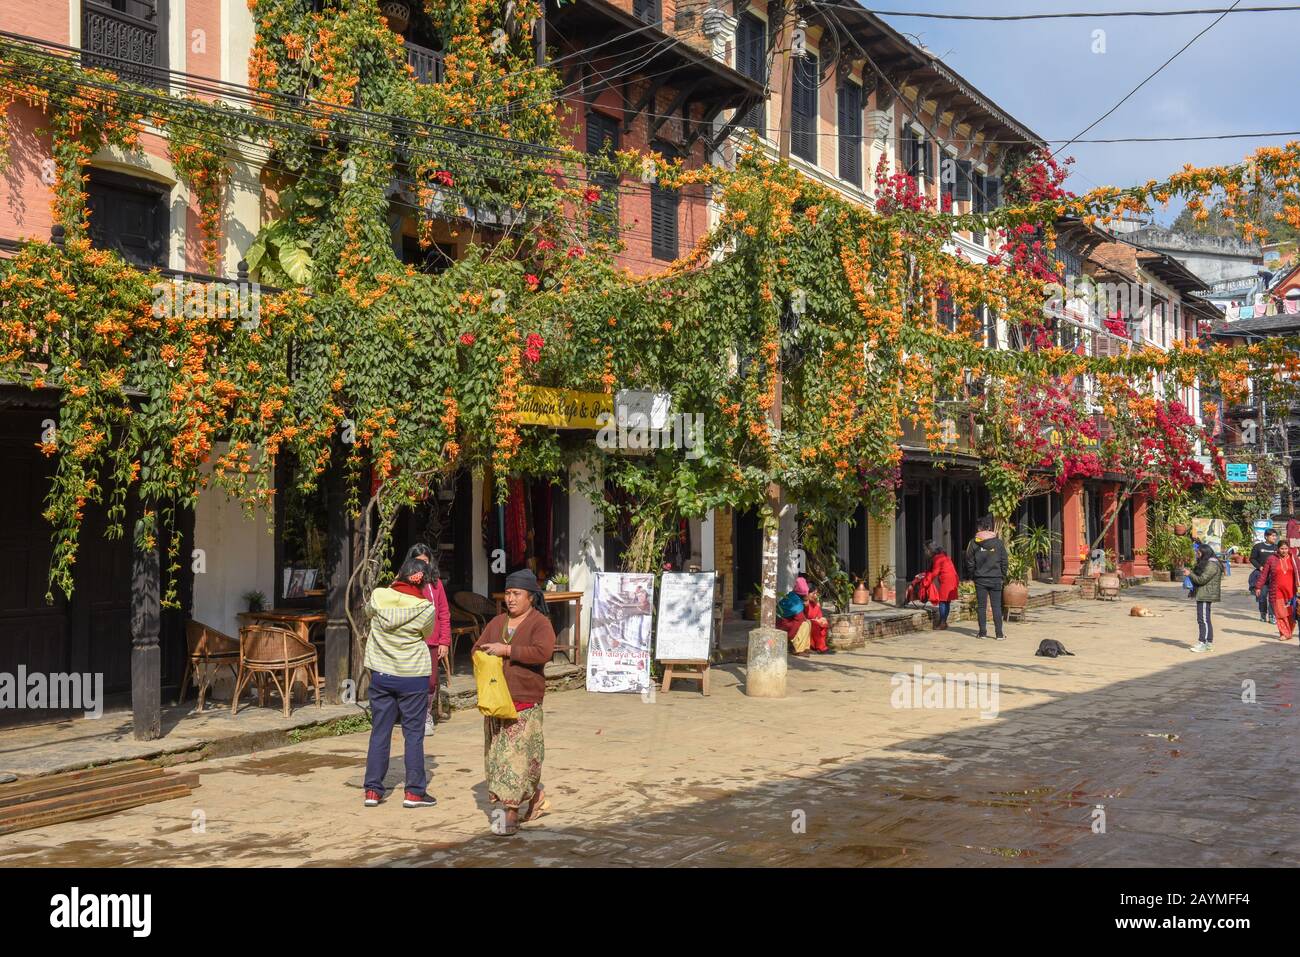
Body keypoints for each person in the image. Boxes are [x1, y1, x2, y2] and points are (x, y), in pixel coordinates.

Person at [472, 568, 556, 836]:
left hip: (524, 702)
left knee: (517, 760)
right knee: (498, 759)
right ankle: (534, 798)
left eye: (516, 594)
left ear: (531, 597)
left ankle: (510, 813)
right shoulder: (497, 623)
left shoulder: (540, 623)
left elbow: (543, 652)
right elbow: (477, 648)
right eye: (508, 593)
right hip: (497, 703)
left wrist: (507, 650)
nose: (510, 599)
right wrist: (486, 656)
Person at [363, 557, 440, 809]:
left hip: (382, 674)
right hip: (413, 675)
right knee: (413, 735)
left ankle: (373, 791)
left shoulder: (377, 596)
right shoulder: (425, 607)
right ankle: (414, 793)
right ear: (422, 582)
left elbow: (367, 613)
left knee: (380, 731)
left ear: (399, 574)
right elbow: (426, 634)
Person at [405, 543, 451, 731]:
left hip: (432, 640)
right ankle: (412, 716)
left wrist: (444, 641)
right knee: (411, 680)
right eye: (418, 562)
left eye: (425, 562)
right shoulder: (405, 583)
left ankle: (425, 715)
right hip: (410, 640)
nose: (422, 566)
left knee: (430, 681)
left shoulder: (436, 584)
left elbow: (444, 612)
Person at [964, 516, 1008, 640]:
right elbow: (1004, 561)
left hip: (980, 579)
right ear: (989, 527)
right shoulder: (998, 543)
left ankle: (982, 632)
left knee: (982, 606)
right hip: (996, 578)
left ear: (979, 528)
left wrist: (973, 575)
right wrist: (1002, 575)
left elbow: (969, 562)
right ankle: (999, 634)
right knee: (996, 606)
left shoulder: (973, 543)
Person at [1258, 540, 1299, 641]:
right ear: (1277, 549)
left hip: (1292, 591)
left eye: (1286, 548)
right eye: (1282, 549)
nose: (1284, 551)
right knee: (1280, 613)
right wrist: (1258, 586)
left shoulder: (1294, 559)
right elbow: (1264, 574)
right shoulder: (1272, 559)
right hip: (1277, 591)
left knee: (1291, 614)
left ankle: (1288, 632)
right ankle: (1283, 633)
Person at [1186, 544, 1224, 654]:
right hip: (1204, 593)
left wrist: (1190, 574)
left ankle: (1203, 642)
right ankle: (1208, 643)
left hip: (1205, 594)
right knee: (1204, 619)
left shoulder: (1212, 564)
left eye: (1198, 553)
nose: (1197, 555)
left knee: (1203, 619)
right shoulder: (1209, 563)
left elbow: (1202, 580)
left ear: (1205, 553)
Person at [916, 541, 959, 630]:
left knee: (943, 601)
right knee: (947, 601)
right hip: (953, 578)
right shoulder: (944, 556)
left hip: (946, 580)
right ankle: (944, 622)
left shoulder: (938, 558)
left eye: (926, 550)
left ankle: (942, 623)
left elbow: (934, 572)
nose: (925, 552)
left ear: (930, 550)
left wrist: (925, 581)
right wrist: (925, 575)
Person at [776, 577, 815, 655]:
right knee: (805, 624)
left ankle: (805, 647)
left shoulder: (792, 595)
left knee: (808, 622)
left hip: (784, 622)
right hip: (783, 625)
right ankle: (798, 649)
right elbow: (800, 619)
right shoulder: (796, 602)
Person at [1249, 529, 1279, 624]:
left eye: (1275, 536)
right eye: (1272, 536)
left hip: (1274, 576)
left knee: (1273, 597)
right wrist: (1259, 567)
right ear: (1266, 536)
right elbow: (1252, 559)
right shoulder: (1258, 547)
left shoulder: (1277, 548)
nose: (1274, 537)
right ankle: (1263, 613)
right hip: (1261, 575)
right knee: (1262, 596)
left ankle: (1271, 615)